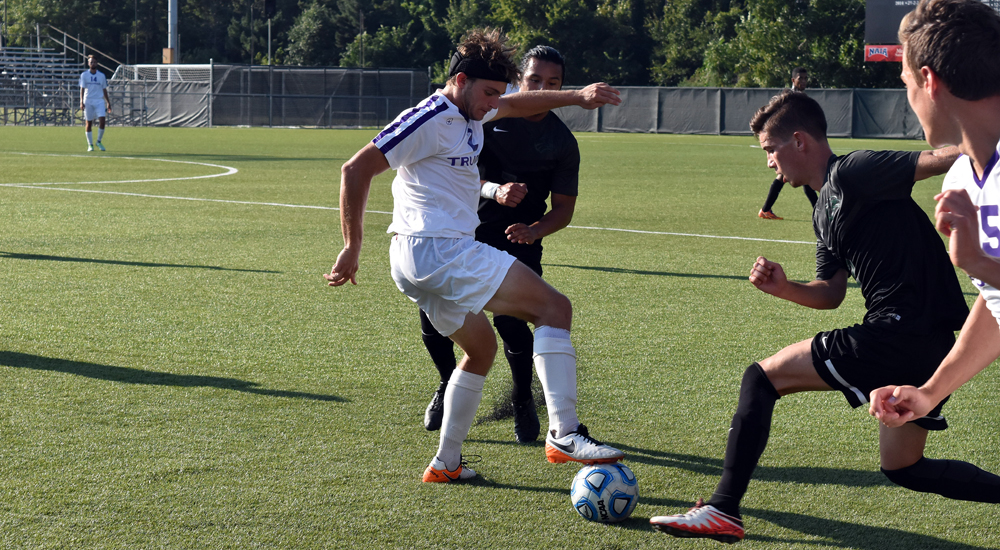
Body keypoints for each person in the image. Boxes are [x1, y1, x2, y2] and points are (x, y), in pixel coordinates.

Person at [649, 90, 999, 544]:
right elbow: (831, 293)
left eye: (770, 150)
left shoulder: (854, 172)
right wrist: (785, 287)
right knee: (904, 468)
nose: (769, 163)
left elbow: (937, 157)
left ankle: (723, 508)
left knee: (761, 378)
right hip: (929, 344)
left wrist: (987, 138)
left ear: (799, 141)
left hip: (897, 331)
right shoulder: (822, 210)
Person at [324, 28, 625, 483]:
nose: (493, 104)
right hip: (437, 250)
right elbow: (356, 167)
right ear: (460, 80)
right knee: (554, 309)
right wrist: (352, 245)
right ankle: (564, 432)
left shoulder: (470, 113)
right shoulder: (429, 116)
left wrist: (577, 98)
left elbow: (519, 104)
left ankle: (446, 464)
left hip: (422, 260)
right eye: (487, 93)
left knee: (481, 350)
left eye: (497, 94)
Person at [419, 45, 581, 445]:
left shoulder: (562, 141)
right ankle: (446, 382)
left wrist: (535, 230)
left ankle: (523, 397)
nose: (543, 88)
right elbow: (446, 172)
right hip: (461, 232)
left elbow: (563, 210)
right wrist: (493, 190)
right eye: (535, 81)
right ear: (518, 84)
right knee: (433, 321)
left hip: (517, 240)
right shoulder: (484, 115)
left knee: (514, 323)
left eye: (554, 83)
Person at [869, 0, 1000, 427]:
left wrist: (978, 261)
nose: (906, 97)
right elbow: (997, 302)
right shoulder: (961, 177)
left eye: (904, 80)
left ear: (929, 80)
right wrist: (930, 391)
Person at [758, 68, 818, 220]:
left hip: (793, 141)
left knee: (790, 176)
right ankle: (819, 212)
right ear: (793, 80)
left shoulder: (800, 97)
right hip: (788, 142)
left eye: (805, 78)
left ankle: (766, 209)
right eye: (800, 78)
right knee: (802, 175)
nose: (803, 81)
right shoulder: (789, 97)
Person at [79, 55, 110, 152]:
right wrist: (81, 101)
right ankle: (90, 144)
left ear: (97, 63)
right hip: (88, 100)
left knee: (102, 120)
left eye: (94, 62)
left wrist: (108, 102)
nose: (93, 64)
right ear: (88, 63)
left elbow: (104, 89)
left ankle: (99, 141)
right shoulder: (84, 75)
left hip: (99, 100)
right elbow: (82, 89)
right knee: (89, 123)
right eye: (91, 62)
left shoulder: (101, 75)